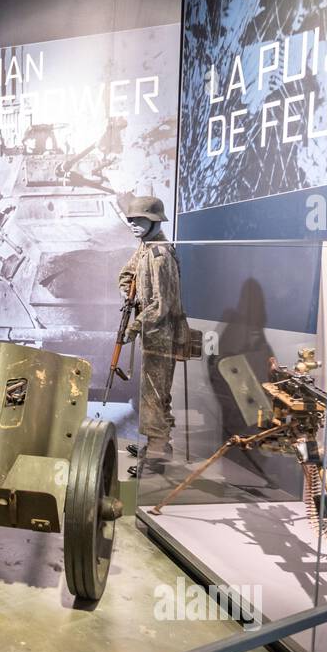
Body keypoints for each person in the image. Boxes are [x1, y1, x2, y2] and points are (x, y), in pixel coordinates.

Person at [116, 194, 189, 461]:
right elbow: (126, 273)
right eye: (131, 220)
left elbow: (163, 304)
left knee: (155, 394)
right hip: (153, 332)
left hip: (163, 334)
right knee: (154, 391)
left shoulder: (160, 255)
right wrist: (129, 292)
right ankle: (158, 443)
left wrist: (133, 326)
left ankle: (158, 449)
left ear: (154, 221)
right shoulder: (145, 247)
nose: (133, 224)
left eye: (140, 220)